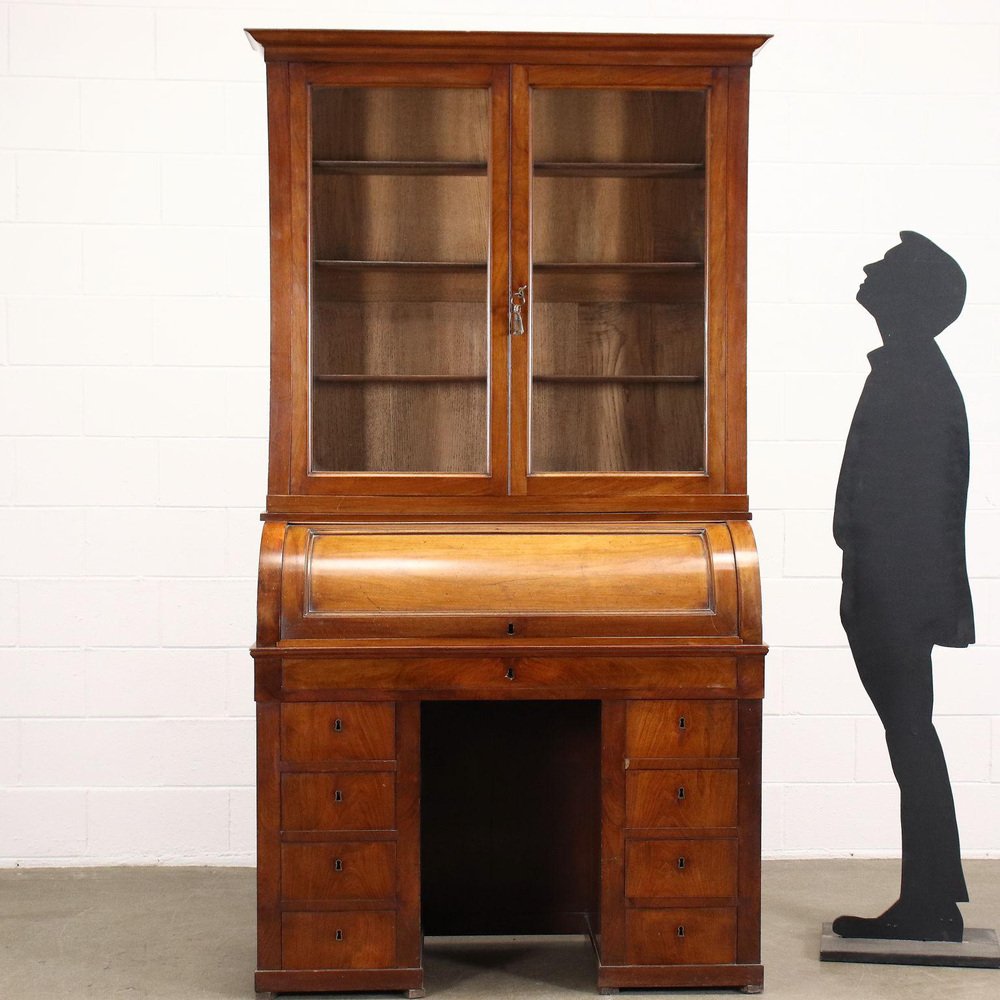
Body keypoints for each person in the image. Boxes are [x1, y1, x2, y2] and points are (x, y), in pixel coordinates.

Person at [832, 231, 974, 942]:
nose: (867, 268)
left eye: (885, 267)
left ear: (910, 298)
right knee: (910, 736)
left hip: (894, 593)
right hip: (890, 590)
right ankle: (932, 898)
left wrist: (878, 596)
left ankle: (930, 904)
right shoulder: (910, 370)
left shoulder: (913, 377)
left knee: (911, 736)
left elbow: (915, 509)